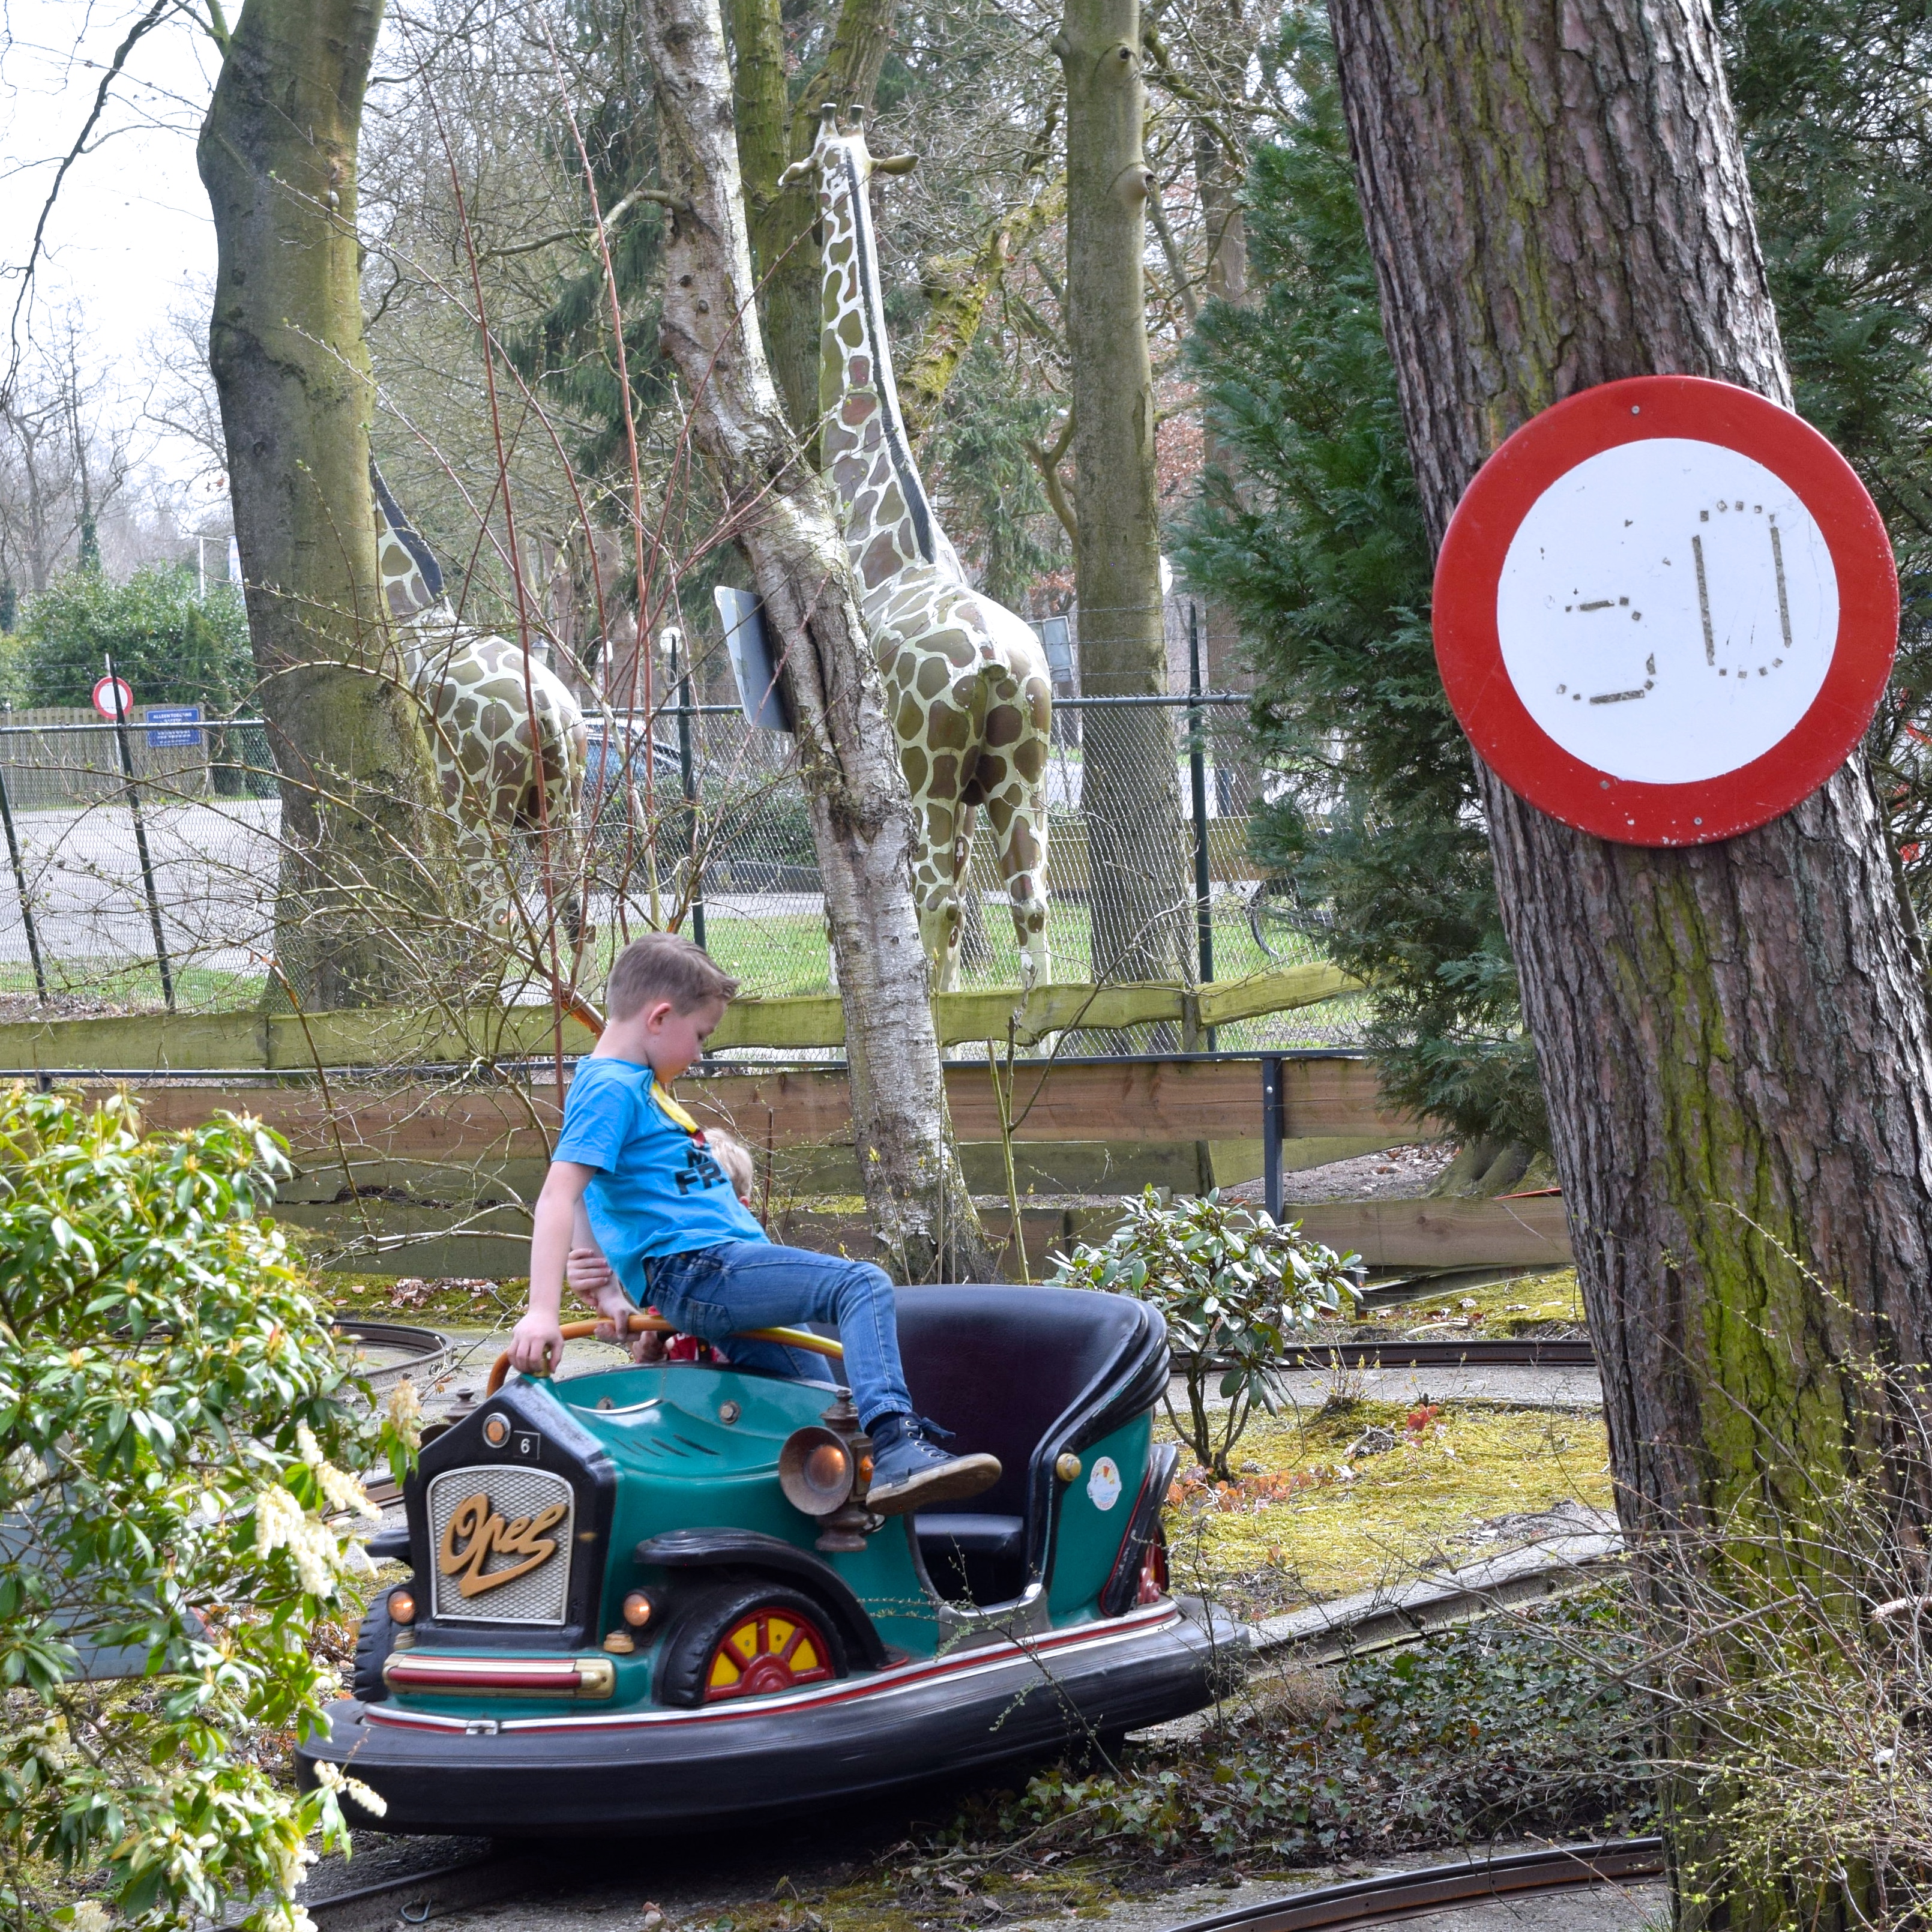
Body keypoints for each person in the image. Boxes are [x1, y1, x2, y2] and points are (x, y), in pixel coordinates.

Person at [511, 930, 998, 1515]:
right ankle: (897, 1444)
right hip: (703, 1269)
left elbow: (593, 1190)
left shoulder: (635, 1086)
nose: (698, 1053)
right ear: (661, 1016)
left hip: (712, 1270)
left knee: (820, 1409)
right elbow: (558, 1193)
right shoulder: (612, 1087)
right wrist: (542, 1309)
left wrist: (602, 1287)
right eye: (701, 1036)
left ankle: (815, 1522)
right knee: (861, 1285)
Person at [565, 1128, 759, 1365]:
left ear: (741, 1210)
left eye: (700, 1211)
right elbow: (648, 1351)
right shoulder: (672, 1278)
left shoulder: (759, 1278)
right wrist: (600, 1284)